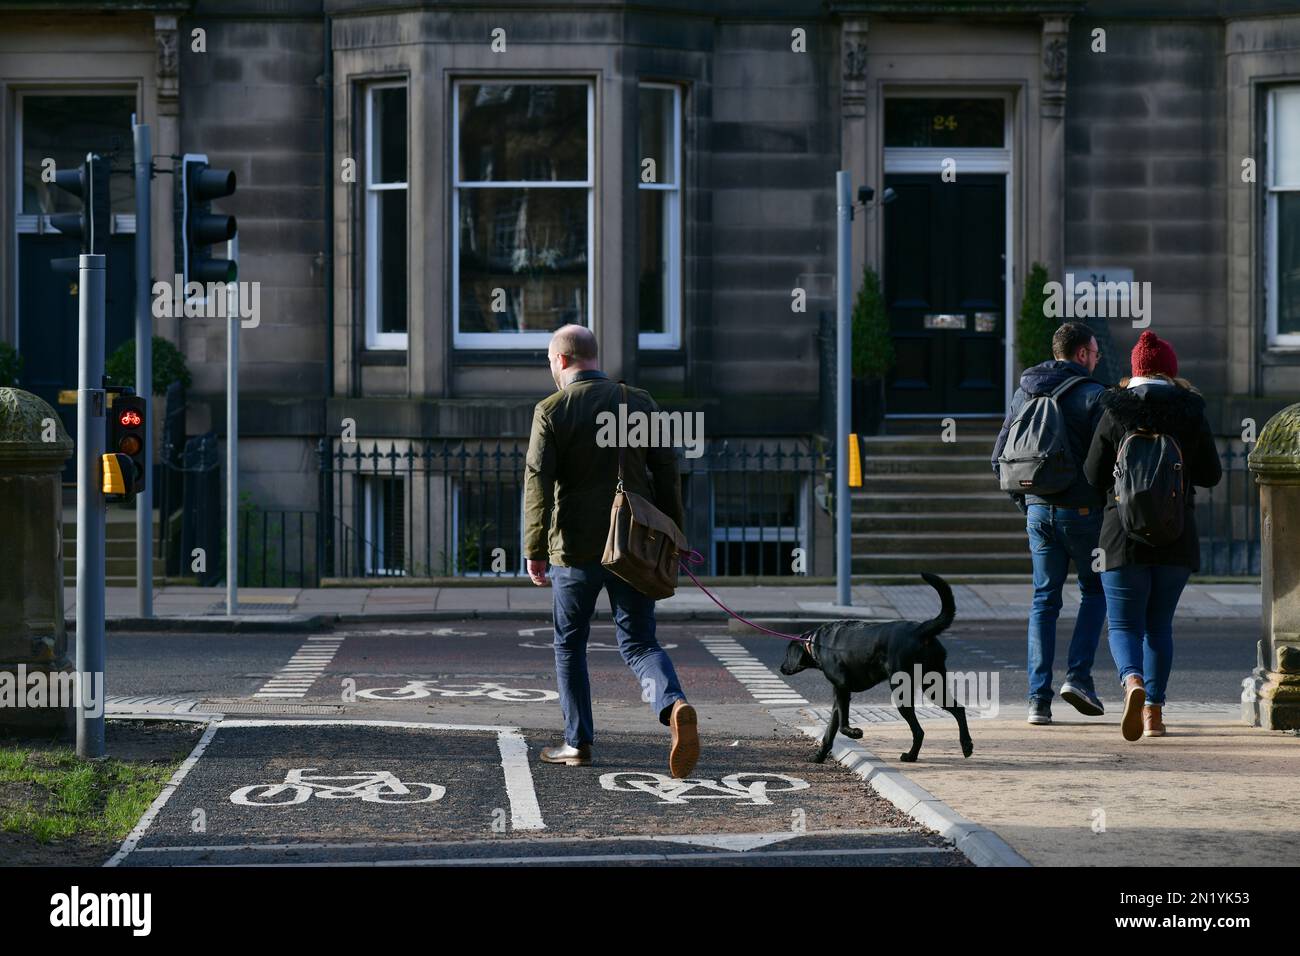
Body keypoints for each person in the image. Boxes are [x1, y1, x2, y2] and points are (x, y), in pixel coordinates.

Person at [523, 324, 700, 777]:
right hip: (633, 546)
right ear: (592, 356)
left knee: (570, 645)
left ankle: (577, 743)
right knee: (640, 641)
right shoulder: (639, 402)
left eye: (550, 363)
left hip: (575, 550)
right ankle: (673, 704)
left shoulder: (552, 410)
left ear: (561, 360)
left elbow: (537, 483)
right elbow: (667, 472)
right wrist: (674, 538)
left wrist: (534, 548)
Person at [1083, 330, 1222, 741]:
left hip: (1121, 537)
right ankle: (1154, 714)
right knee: (1159, 625)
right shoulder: (1190, 410)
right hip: (1176, 536)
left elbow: (1092, 475)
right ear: (1171, 370)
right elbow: (1213, 475)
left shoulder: (1115, 410)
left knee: (1124, 625)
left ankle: (1132, 682)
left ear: (1135, 369)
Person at [991, 321, 1108, 726]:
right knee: (1095, 592)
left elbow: (998, 458)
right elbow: (1108, 464)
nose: (1096, 359)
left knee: (1044, 600)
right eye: (1094, 353)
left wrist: (1029, 505)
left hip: (1039, 512)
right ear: (1080, 355)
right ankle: (1078, 677)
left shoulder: (1024, 392)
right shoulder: (1095, 396)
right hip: (1083, 515)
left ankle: (1036, 701)